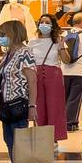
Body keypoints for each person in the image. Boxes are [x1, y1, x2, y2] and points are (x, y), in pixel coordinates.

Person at [0, 19, 38, 163]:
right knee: (10, 141)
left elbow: (32, 80)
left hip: (19, 103)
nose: (0, 37)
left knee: (21, 142)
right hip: (6, 106)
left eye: (3, 34)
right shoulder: (7, 54)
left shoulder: (24, 53)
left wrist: (32, 105)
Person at [27, 12, 71, 143]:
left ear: (53, 26)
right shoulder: (32, 42)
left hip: (54, 76)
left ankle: (54, 138)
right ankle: (41, 137)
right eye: (42, 22)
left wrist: (62, 47)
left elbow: (66, 60)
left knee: (54, 106)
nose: (44, 25)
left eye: (47, 23)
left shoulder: (57, 41)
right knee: (38, 106)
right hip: (36, 75)